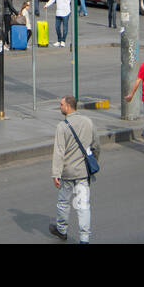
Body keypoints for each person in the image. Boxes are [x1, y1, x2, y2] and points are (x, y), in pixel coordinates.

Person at [50, 95, 96, 243]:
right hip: (83, 172)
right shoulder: (88, 122)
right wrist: (93, 162)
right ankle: (84, 237)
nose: (60, 107)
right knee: (83, 205)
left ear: (68, 107)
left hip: (68, 173)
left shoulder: (62, 126)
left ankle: (62, 230)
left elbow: (59, 152)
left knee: (64, 202)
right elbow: (96, 145)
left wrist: (56, 173)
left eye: (61, 104)